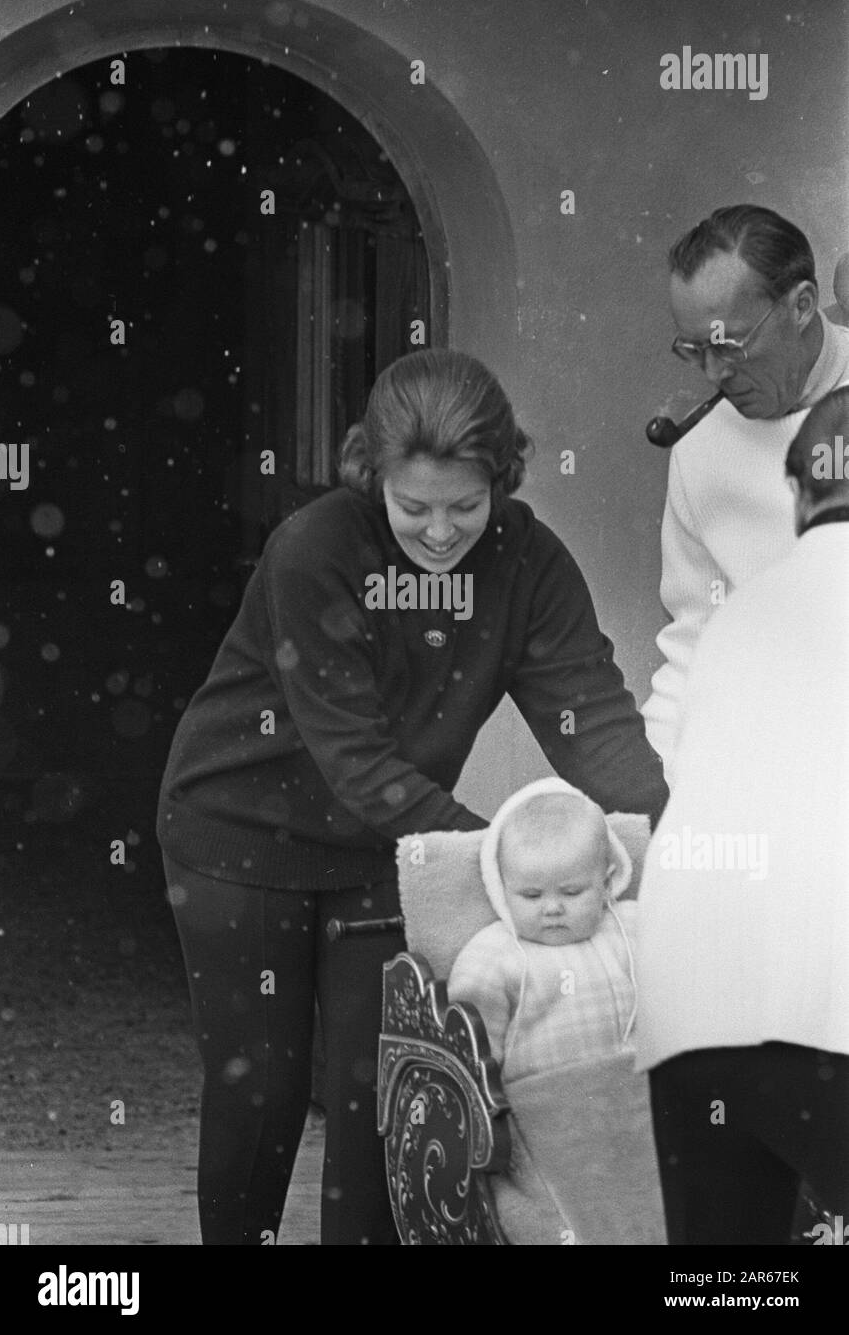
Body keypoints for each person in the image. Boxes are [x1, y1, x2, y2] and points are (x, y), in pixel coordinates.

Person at [157, 347, 668, 1246]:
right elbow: (355, 759)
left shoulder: (529, 564)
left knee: (386, 1087)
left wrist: (664, 839)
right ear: (372, 475)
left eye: (466, 507)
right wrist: (510, 853)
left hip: (387, 848)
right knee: (261, 1085)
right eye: (413, 507)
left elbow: (591, 719)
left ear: (501, 481)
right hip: (239, 833)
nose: (439, 532)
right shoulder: (313, 548)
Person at [636, 388, 849, 1245]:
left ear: (797, 497)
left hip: (689, 990)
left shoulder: (740, 616)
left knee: (729, 1281)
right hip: (822, 1004)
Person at [641, 206, 849, 783]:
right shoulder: (698, 456)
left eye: (729, 345)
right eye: (694, 349)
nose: (714, 372)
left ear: (802, 305)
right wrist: (652, 803)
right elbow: (693, 654)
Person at [448, 778, 639, 1080]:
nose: (552, 908)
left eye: (572, 892)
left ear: (605, 883)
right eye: (532, 895)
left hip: (637, 1093)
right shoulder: (493, 955)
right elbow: (471, 1051)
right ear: (502, 888)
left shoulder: (632, 928)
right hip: (535, 1104)